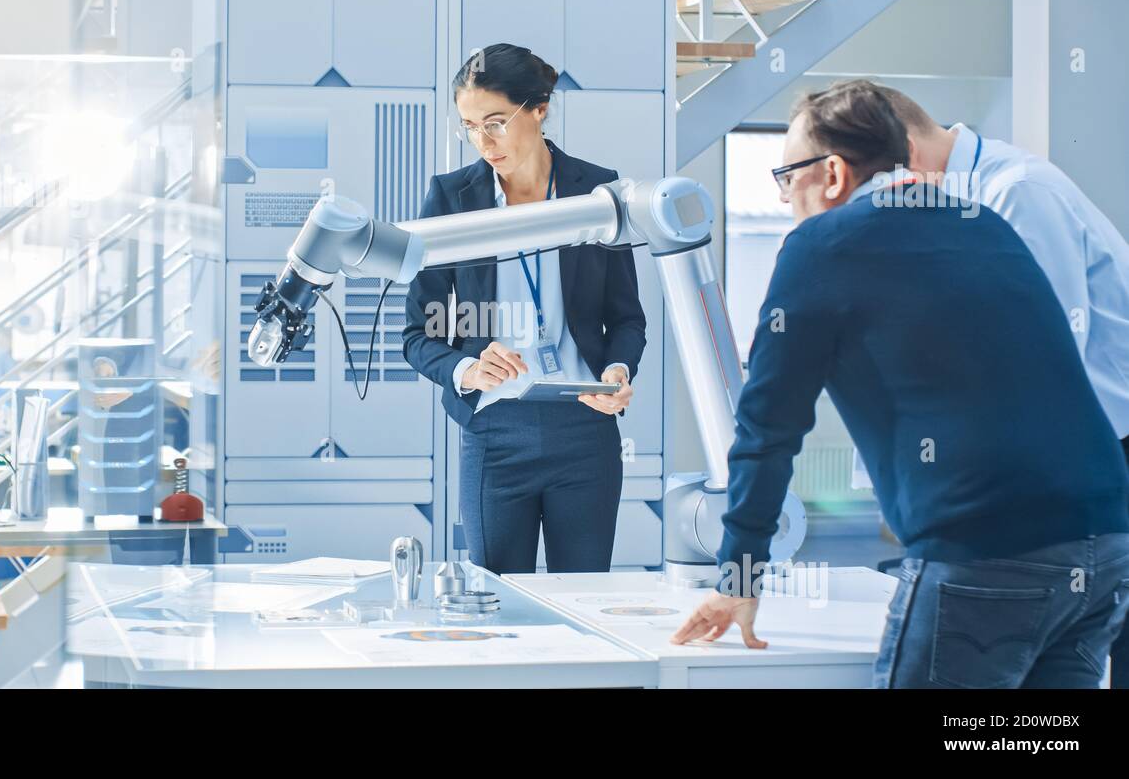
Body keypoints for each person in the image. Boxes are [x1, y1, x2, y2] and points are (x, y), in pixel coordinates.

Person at [670, 80, 1129, 689]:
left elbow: (768, 429)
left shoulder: (818, 247)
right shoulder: (985, 223)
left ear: (832, 173)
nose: (785, 199)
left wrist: (740, 579)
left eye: (787, 177)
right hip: (1104, 542)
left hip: (986, 551)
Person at [874, 82, 1129, 687]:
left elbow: (1043, 347)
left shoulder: (1014, 191)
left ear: (906, 151)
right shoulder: (960, 196)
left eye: (873, 181)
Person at [402, 43, 646, 575]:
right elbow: (416, 334)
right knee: (496, 602)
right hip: (494, 433)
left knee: (583, 604)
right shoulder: (452, 197)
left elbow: (627, 317)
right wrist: (467, 367)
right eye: (468, 126)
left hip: (586, 428)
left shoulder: (596, 191)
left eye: (495, 122)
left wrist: (618, 370)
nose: (482, 142)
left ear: (538, 109)